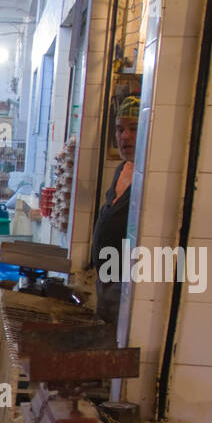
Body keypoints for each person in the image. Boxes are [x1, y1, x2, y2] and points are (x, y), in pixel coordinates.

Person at [89, 95, 139, 326]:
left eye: (134, 128)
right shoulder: (122, 169)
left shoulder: (149, 176)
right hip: (106, 279)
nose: (124, 136)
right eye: (120, 129)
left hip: (125, 285)